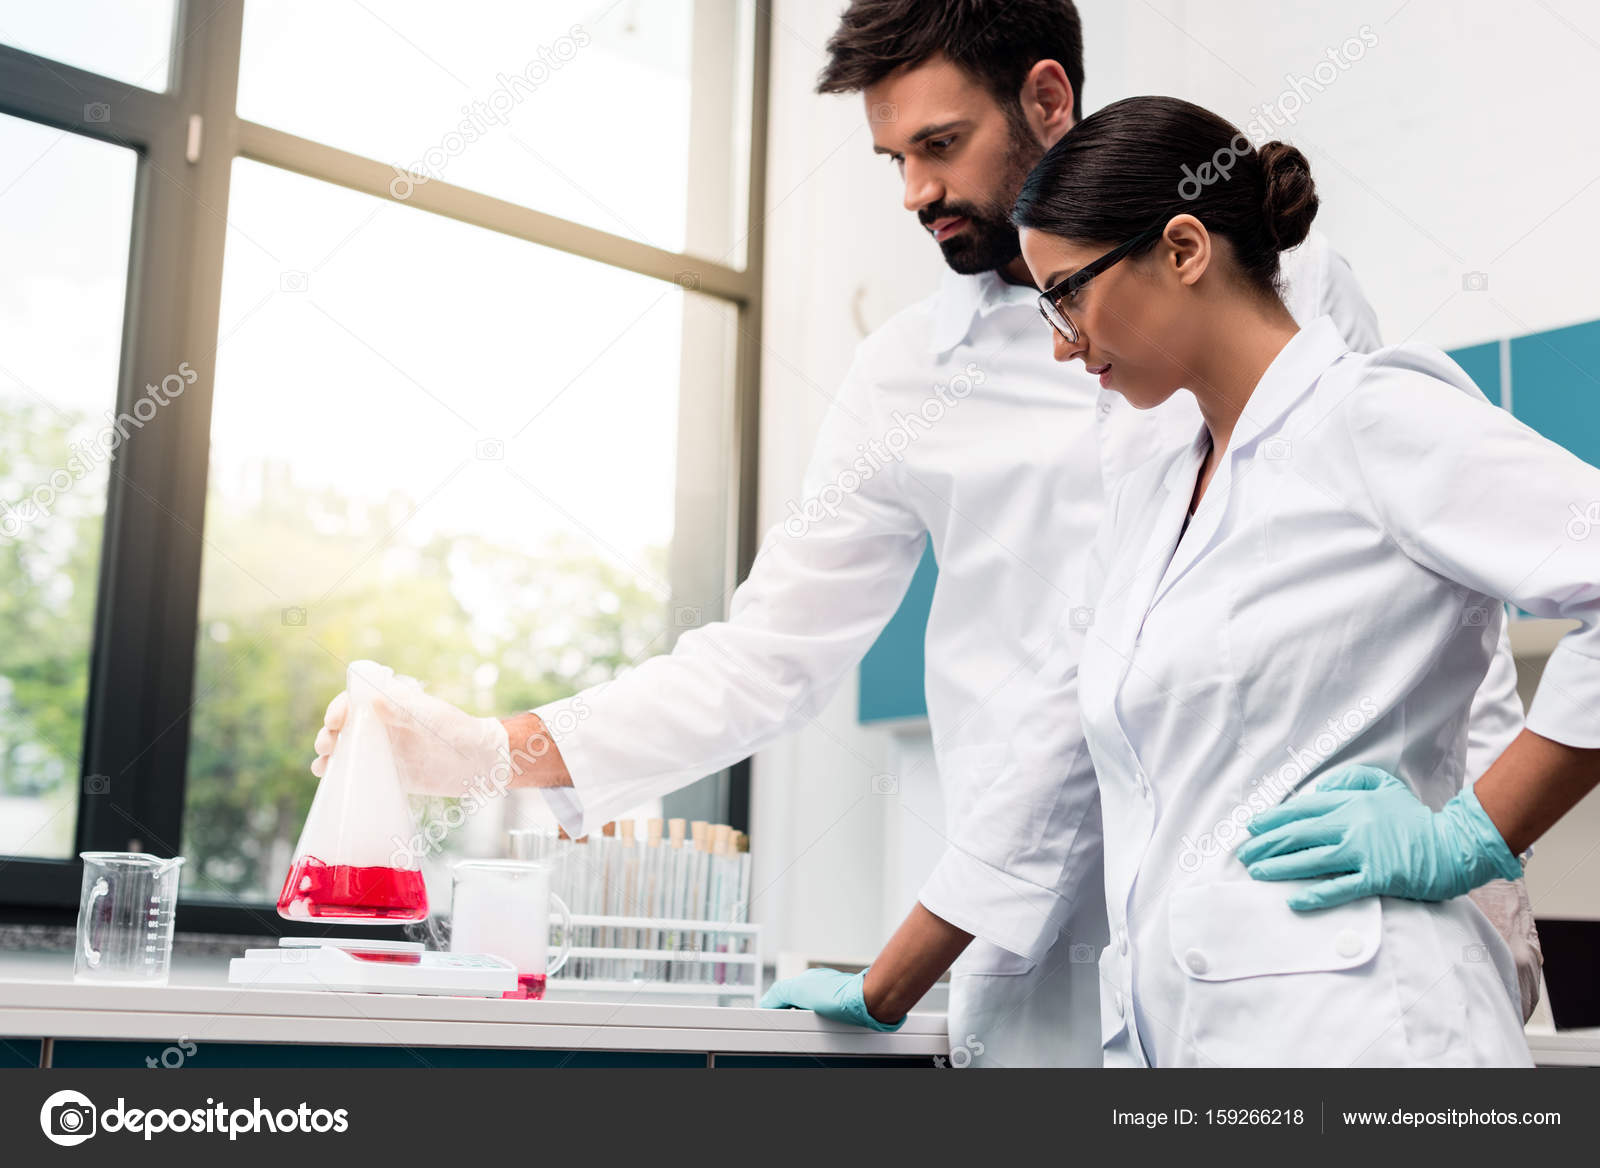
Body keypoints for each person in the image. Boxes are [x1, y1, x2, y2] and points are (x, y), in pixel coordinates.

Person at [309, 2, 1523, 1064]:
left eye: (940, 145)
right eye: (894, 158)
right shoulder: (905, 379)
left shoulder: (1290, 294)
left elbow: (1426, 598)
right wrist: (492, 751)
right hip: (1027, 943)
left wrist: (1480, 857)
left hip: (1302, 926)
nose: (914, 194)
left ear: (1045, 99)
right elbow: (767, 655)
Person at [1009, 95, 1598, 1066]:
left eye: (1066, 292)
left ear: (1184, 249)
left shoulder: (1372, 418)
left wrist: (1472, 833)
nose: (1061, 341)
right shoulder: (1157, 496)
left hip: (1380, 1037)